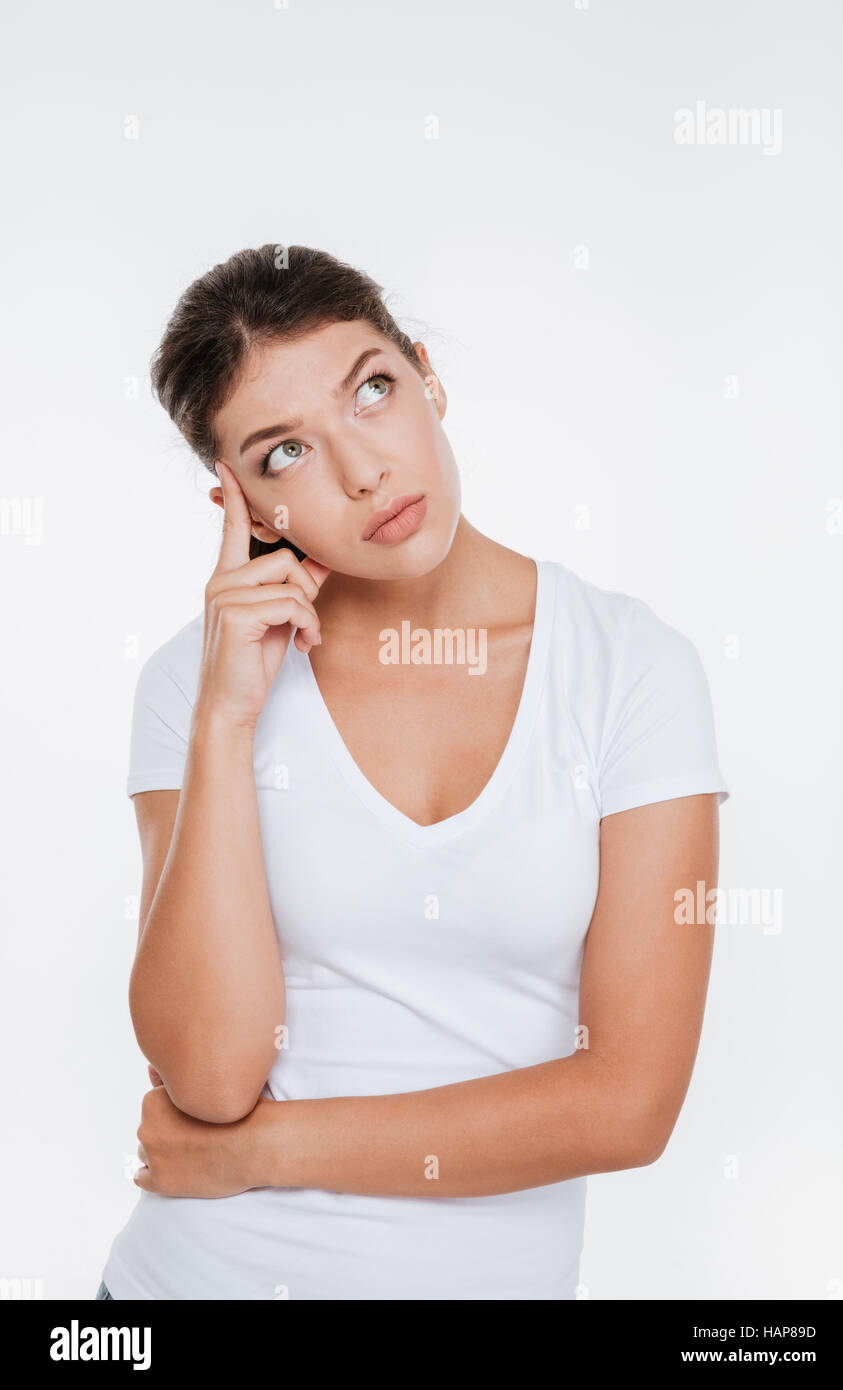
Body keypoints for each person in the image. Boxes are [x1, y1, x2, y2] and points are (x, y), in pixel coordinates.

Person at [98, 243, 729, 1300]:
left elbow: (628, 1105)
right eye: (282, 453)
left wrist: (262, 1154)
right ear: (241, 505)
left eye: (372, 391)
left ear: (427, 374)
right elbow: (208, 1076)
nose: (361, 472)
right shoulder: (193, 688)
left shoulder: (627, 669)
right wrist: (224, 723)